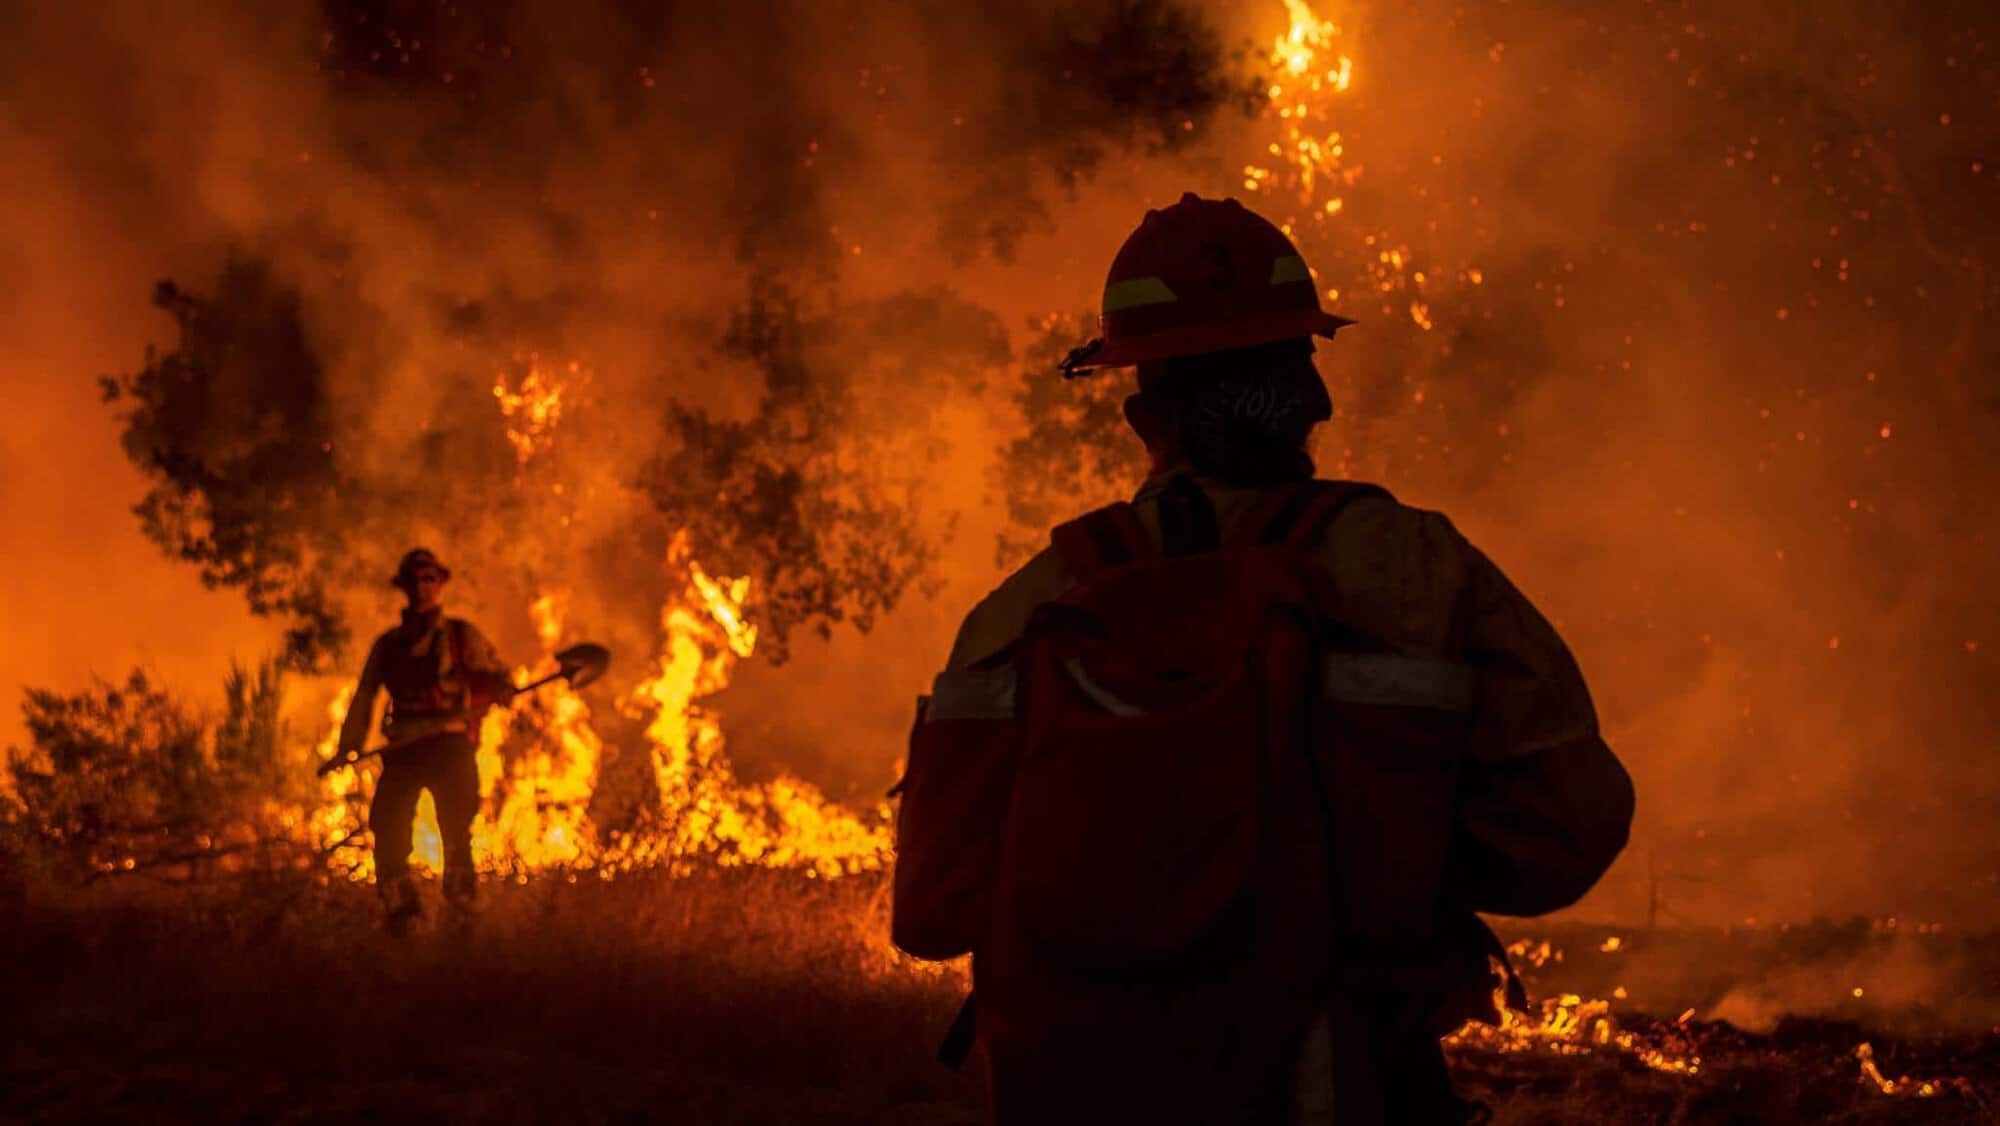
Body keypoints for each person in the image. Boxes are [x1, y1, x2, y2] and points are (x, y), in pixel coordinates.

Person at [892, 194, 1634, 1124]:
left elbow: (932, 913)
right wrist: (1387, 863)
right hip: (1335, 1082)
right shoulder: (1417, 566)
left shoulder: (1030, 606)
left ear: (1140, 412)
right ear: (1308, 398)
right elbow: (1571, 829)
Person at [337, 548, 513, 934]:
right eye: (414, 580)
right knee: (388, 827)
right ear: (403, 587)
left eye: (429, 579)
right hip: (404, 749)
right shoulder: (388, 645)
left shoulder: (462, 637)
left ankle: (462, 917)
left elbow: (498, 675)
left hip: (450, 746)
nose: (422, 587)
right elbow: (365, 695)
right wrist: (347, 746)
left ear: (440, 584)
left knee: (457, 831)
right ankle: (402, 914)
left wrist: (501, 687)